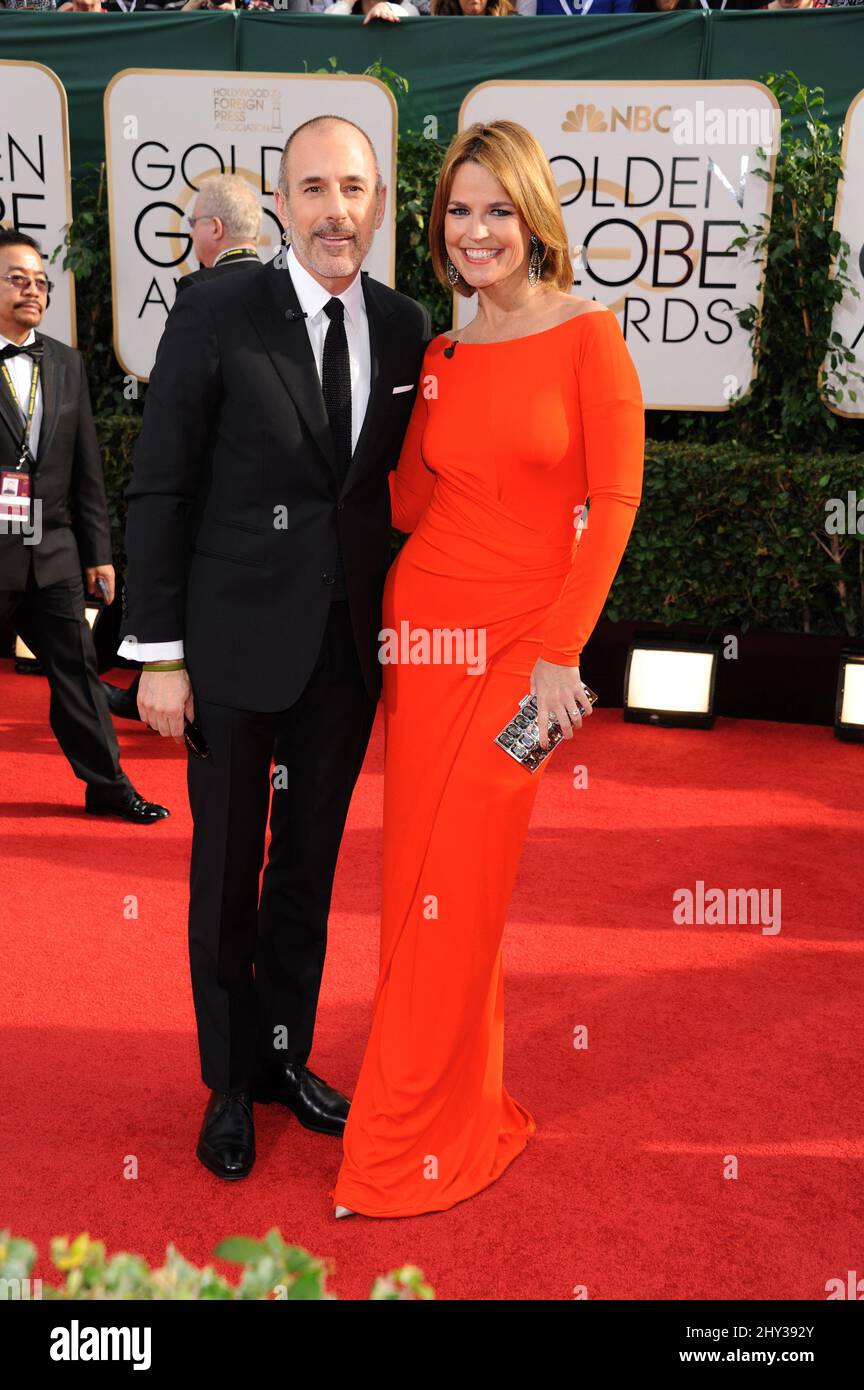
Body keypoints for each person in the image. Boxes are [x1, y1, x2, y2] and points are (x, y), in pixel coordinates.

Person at [329, 119, 644, 1219]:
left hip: (526, 660)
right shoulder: (442, 356)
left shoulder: (589, 337)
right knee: (415, 882)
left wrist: (561, 651)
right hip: (425, 643)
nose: (476, 231)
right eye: (458, 213)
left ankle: (399, 1145)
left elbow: (614, 504)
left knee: (458, 886)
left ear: (533, 217)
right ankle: (460, 1109)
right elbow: (407, 500)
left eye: (496, 210)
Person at [118, 115, 432, 1181]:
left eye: (354, 188)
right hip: (230, 650)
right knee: (225, 876)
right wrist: (158, 652)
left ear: (379, 202)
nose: (336, 209)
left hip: (343, 658)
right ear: (285, 205)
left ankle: (283, 1059)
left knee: (308, 870)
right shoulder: (216, 311)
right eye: (313, 188)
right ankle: (225, 1080)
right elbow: (161, 482)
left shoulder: (403, 326)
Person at [0, 229, 168, 824]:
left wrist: (99, 553)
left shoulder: (65, 362)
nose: (33, 290)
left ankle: (108, 787)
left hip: (54, 553)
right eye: (17, 279)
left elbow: (85, 466)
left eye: (41, 281)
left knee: (77, 673)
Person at [105, 174, 264, 721]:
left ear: (214, 228)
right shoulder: (287, 298)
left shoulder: (199, 300)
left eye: (193, 224)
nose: (192, 235)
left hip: (208, 523)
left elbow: (169, 444)